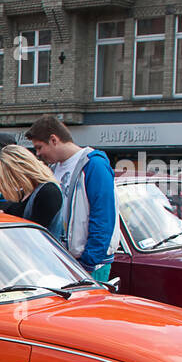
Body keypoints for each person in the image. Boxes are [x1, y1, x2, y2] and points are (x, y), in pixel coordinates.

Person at [25, 115, 118, 280]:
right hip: (62, 261)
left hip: (88, 265)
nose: (38, 154)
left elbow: (103, 216)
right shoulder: (53, 168)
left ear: (54, 140)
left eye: (39, 147)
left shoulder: (94, 165)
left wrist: (88, 262)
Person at [0, 144, 64, 236]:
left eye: (9, 179)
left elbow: (35, 234)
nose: (12, 185)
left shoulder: (48, 192)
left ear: (17, 173)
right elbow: (9, 213)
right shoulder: (27, 191)